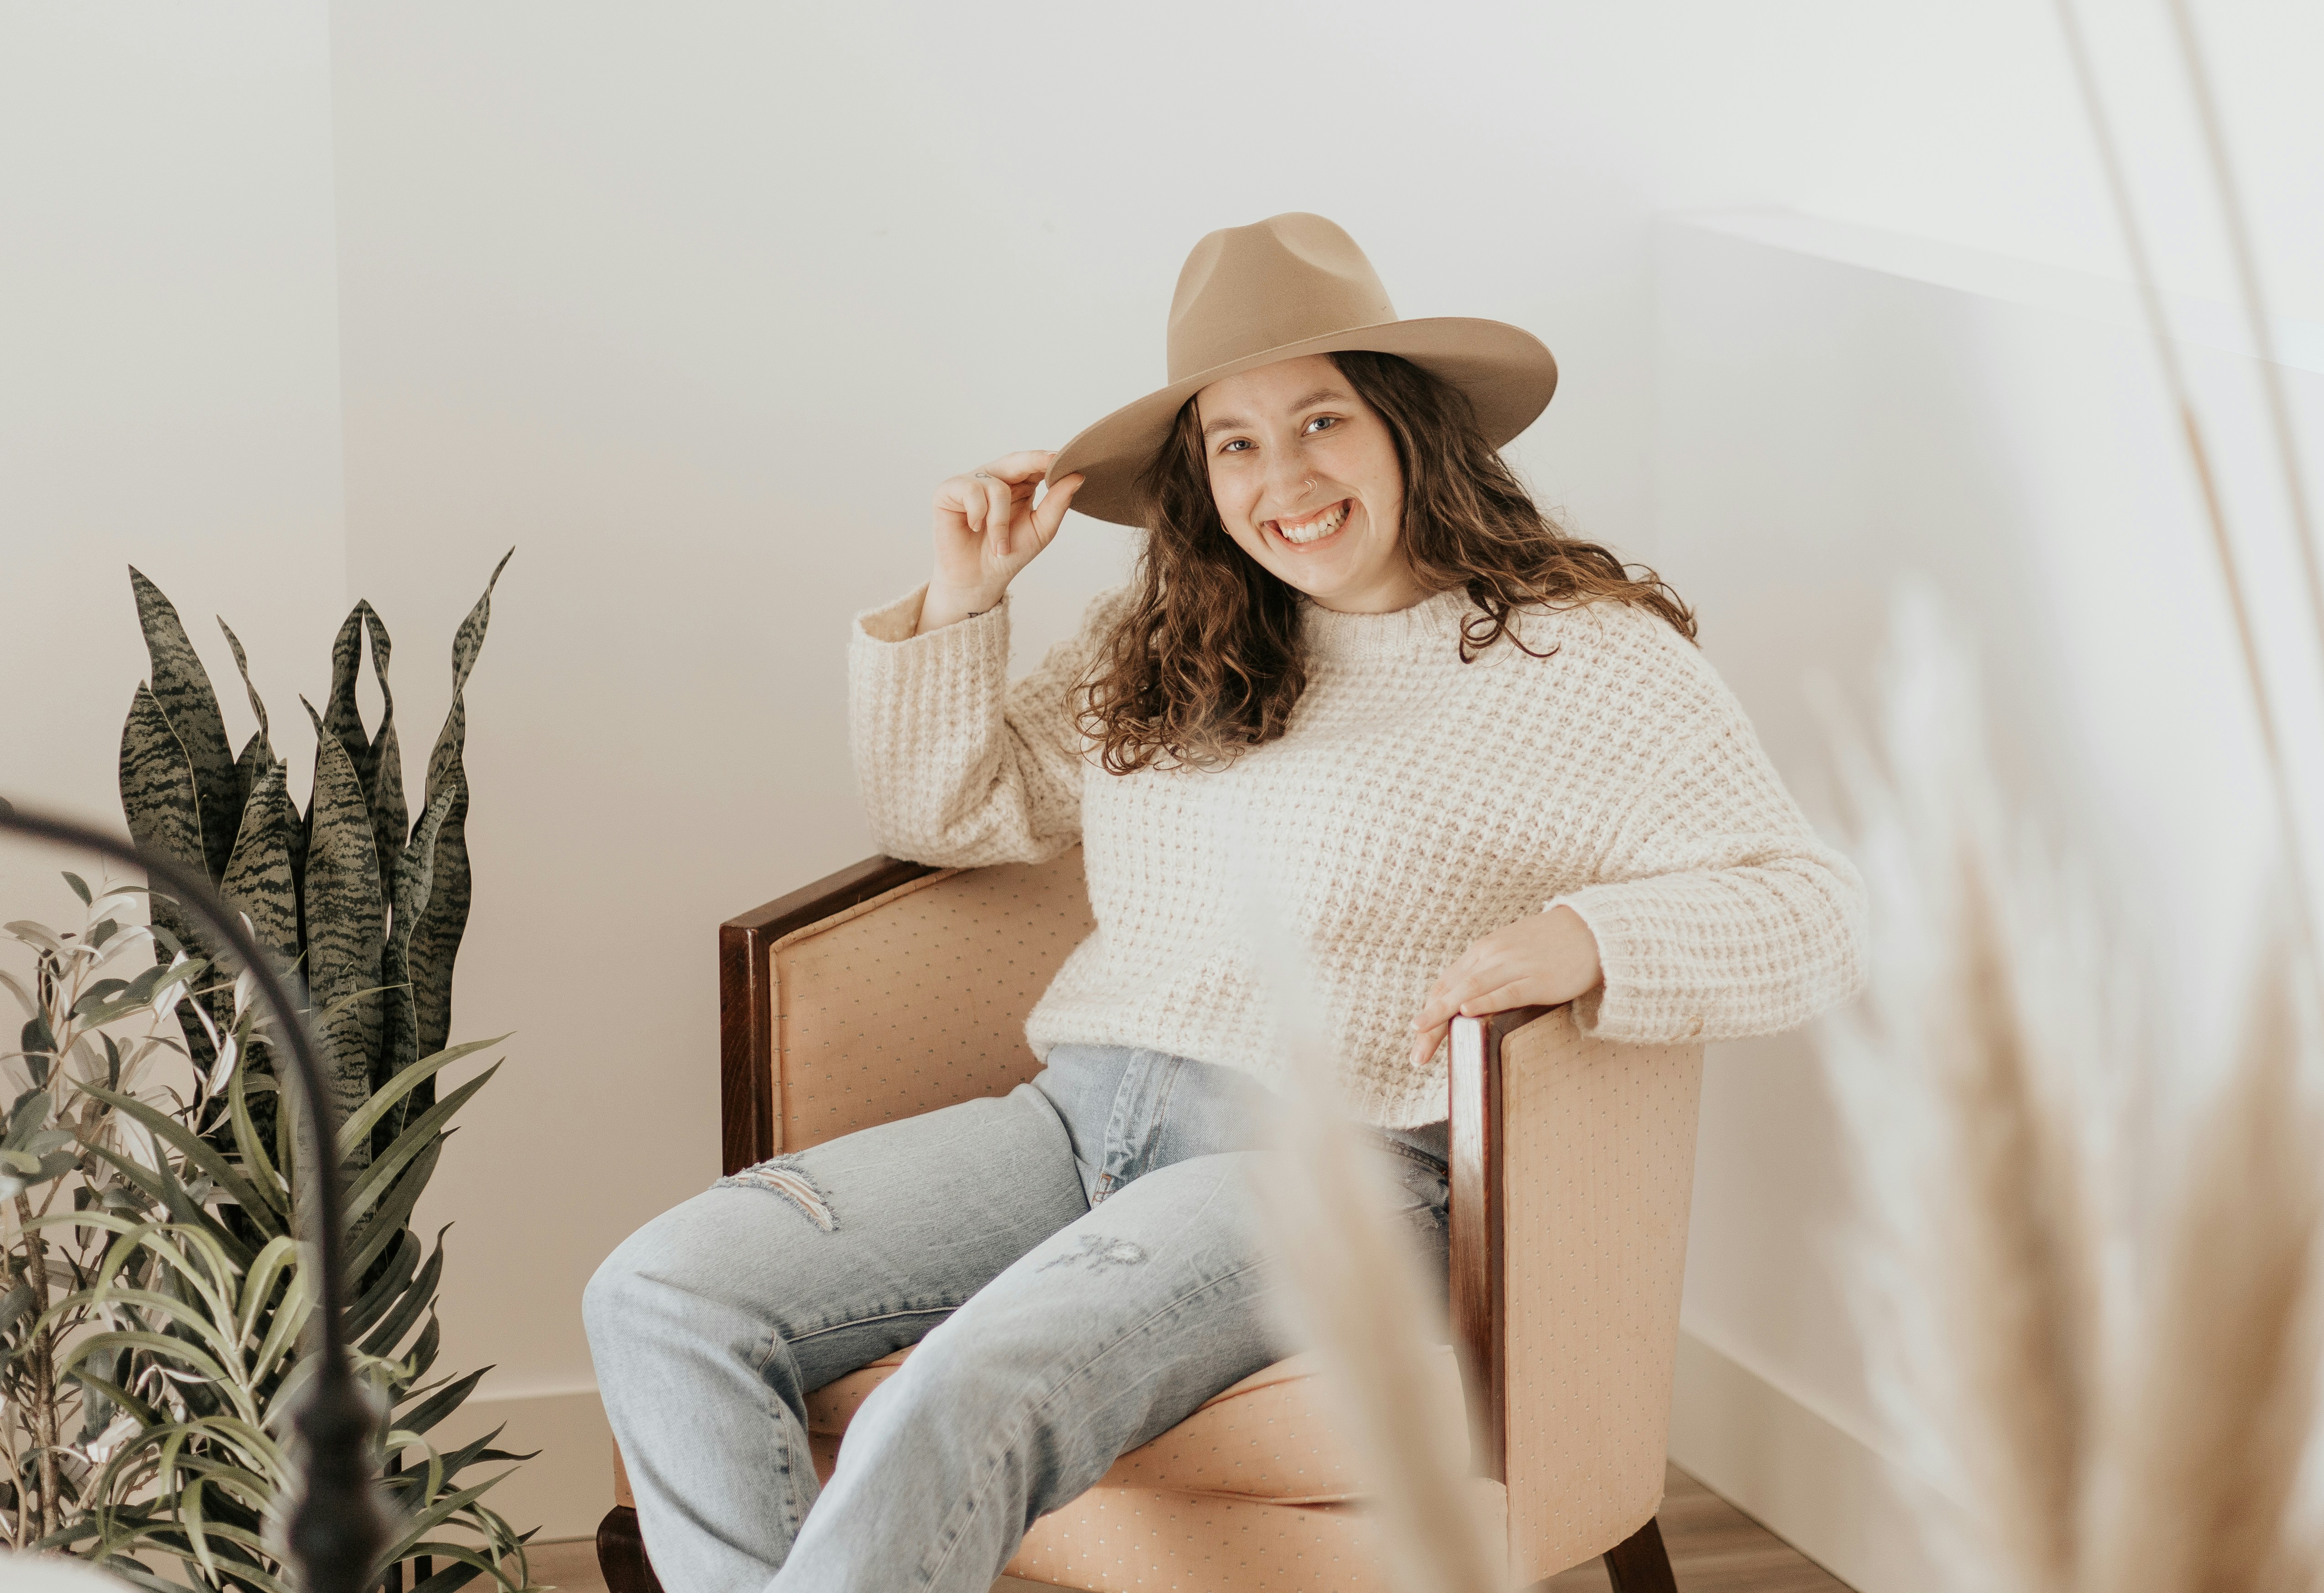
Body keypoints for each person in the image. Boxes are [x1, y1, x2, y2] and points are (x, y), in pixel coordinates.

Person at [584, 213, 1867, 1593]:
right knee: (661, 1299)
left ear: (1409, 428)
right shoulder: (1174, 640)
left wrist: (1586, 940)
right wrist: (964, 600)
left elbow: (1812, 910)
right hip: (1078, 1121)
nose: (1284, 477)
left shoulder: (1582, 656)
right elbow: (948, 816)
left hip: (1338, 1170)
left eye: (1322, 419)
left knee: (966, 1386)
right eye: (1234, 441)